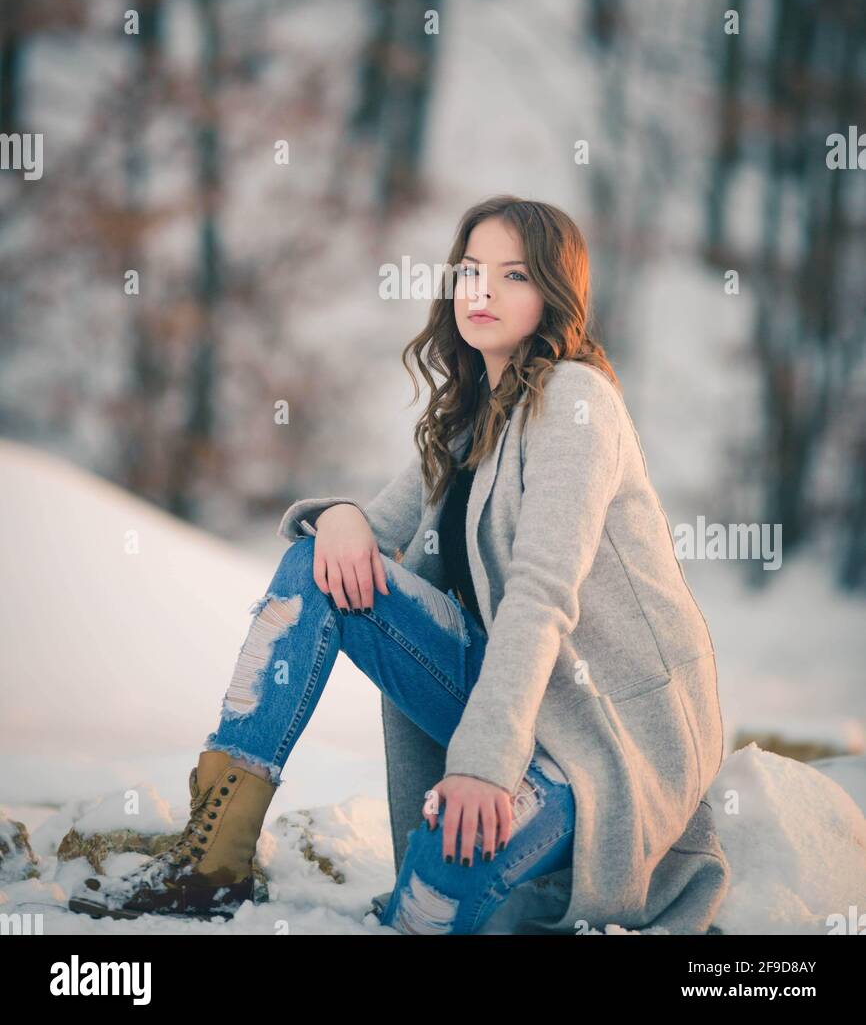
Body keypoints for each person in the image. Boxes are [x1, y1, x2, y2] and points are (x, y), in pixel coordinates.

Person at [70, 195, 730, 934]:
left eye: (513, 275)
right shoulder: (471, 419)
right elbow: (370, 531)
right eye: (470, 271)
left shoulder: (577, 403)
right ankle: (212, 861)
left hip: (606, 736)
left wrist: (482, 766)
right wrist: (342, 518)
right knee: (315, 568)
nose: (481, 292)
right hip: (515, 701)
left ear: (553, 295)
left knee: (443, 878)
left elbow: (542, 596)